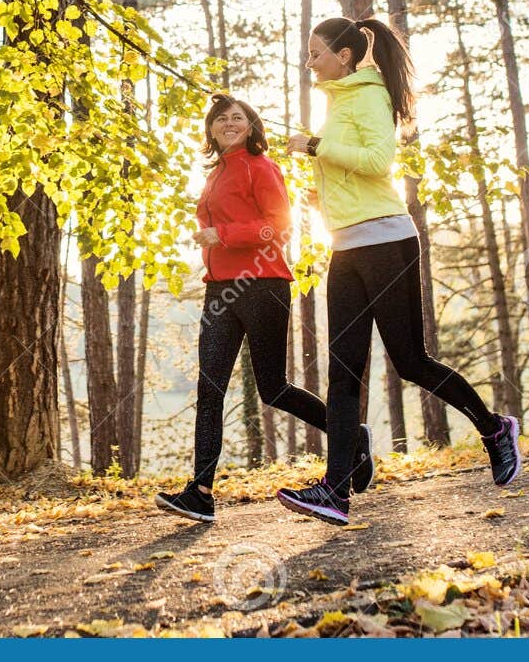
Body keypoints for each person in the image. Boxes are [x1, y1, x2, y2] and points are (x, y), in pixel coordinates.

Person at [274, 16, 522, 526]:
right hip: (345, 247)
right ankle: (335, 492)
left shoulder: (369, 95)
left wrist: (317, 147)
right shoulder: (339, 101)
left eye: (315, 52)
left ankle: (494, 429)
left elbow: (378, 160)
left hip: (387, 242)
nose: (310, 61)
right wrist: (324, 197)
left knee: (411, 361)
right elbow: (355, 174)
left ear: (344, 56)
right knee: (343, 374)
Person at [155, 93, 372, 523]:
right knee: (209, 390)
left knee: (272, 388)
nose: (229, 123)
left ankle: (351, 436)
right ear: (211, 130)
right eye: (221, 119)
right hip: (219, 290)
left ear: (252, 127)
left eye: (238, 117)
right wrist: (213, 240)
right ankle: (200, 493)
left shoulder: (262, 167)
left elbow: (280, 227)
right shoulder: (215, 172)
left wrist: (225, 235)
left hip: (263, 285)